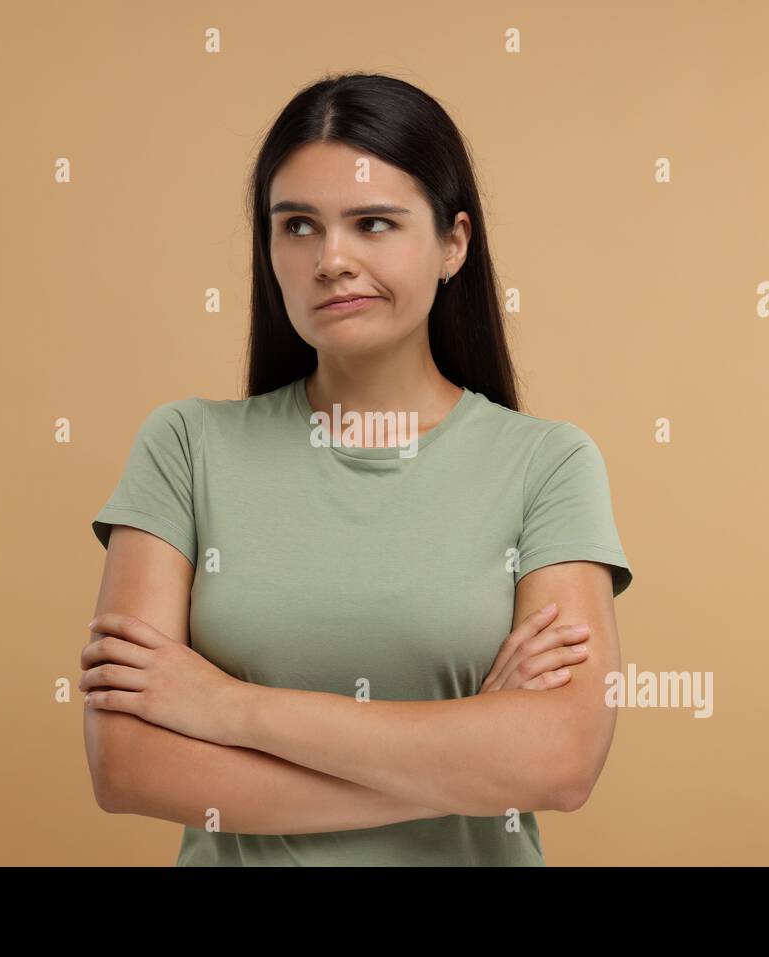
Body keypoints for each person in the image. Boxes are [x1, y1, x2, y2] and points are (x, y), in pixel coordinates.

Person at [80, 72, 633, 866]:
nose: (331, 259)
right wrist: (469, 751)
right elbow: (127, 764)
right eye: (298, 226)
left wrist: (225, 706)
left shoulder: (547, 464)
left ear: (454, 243)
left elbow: (564, 758)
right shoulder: (185, 447)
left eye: (373, 223)